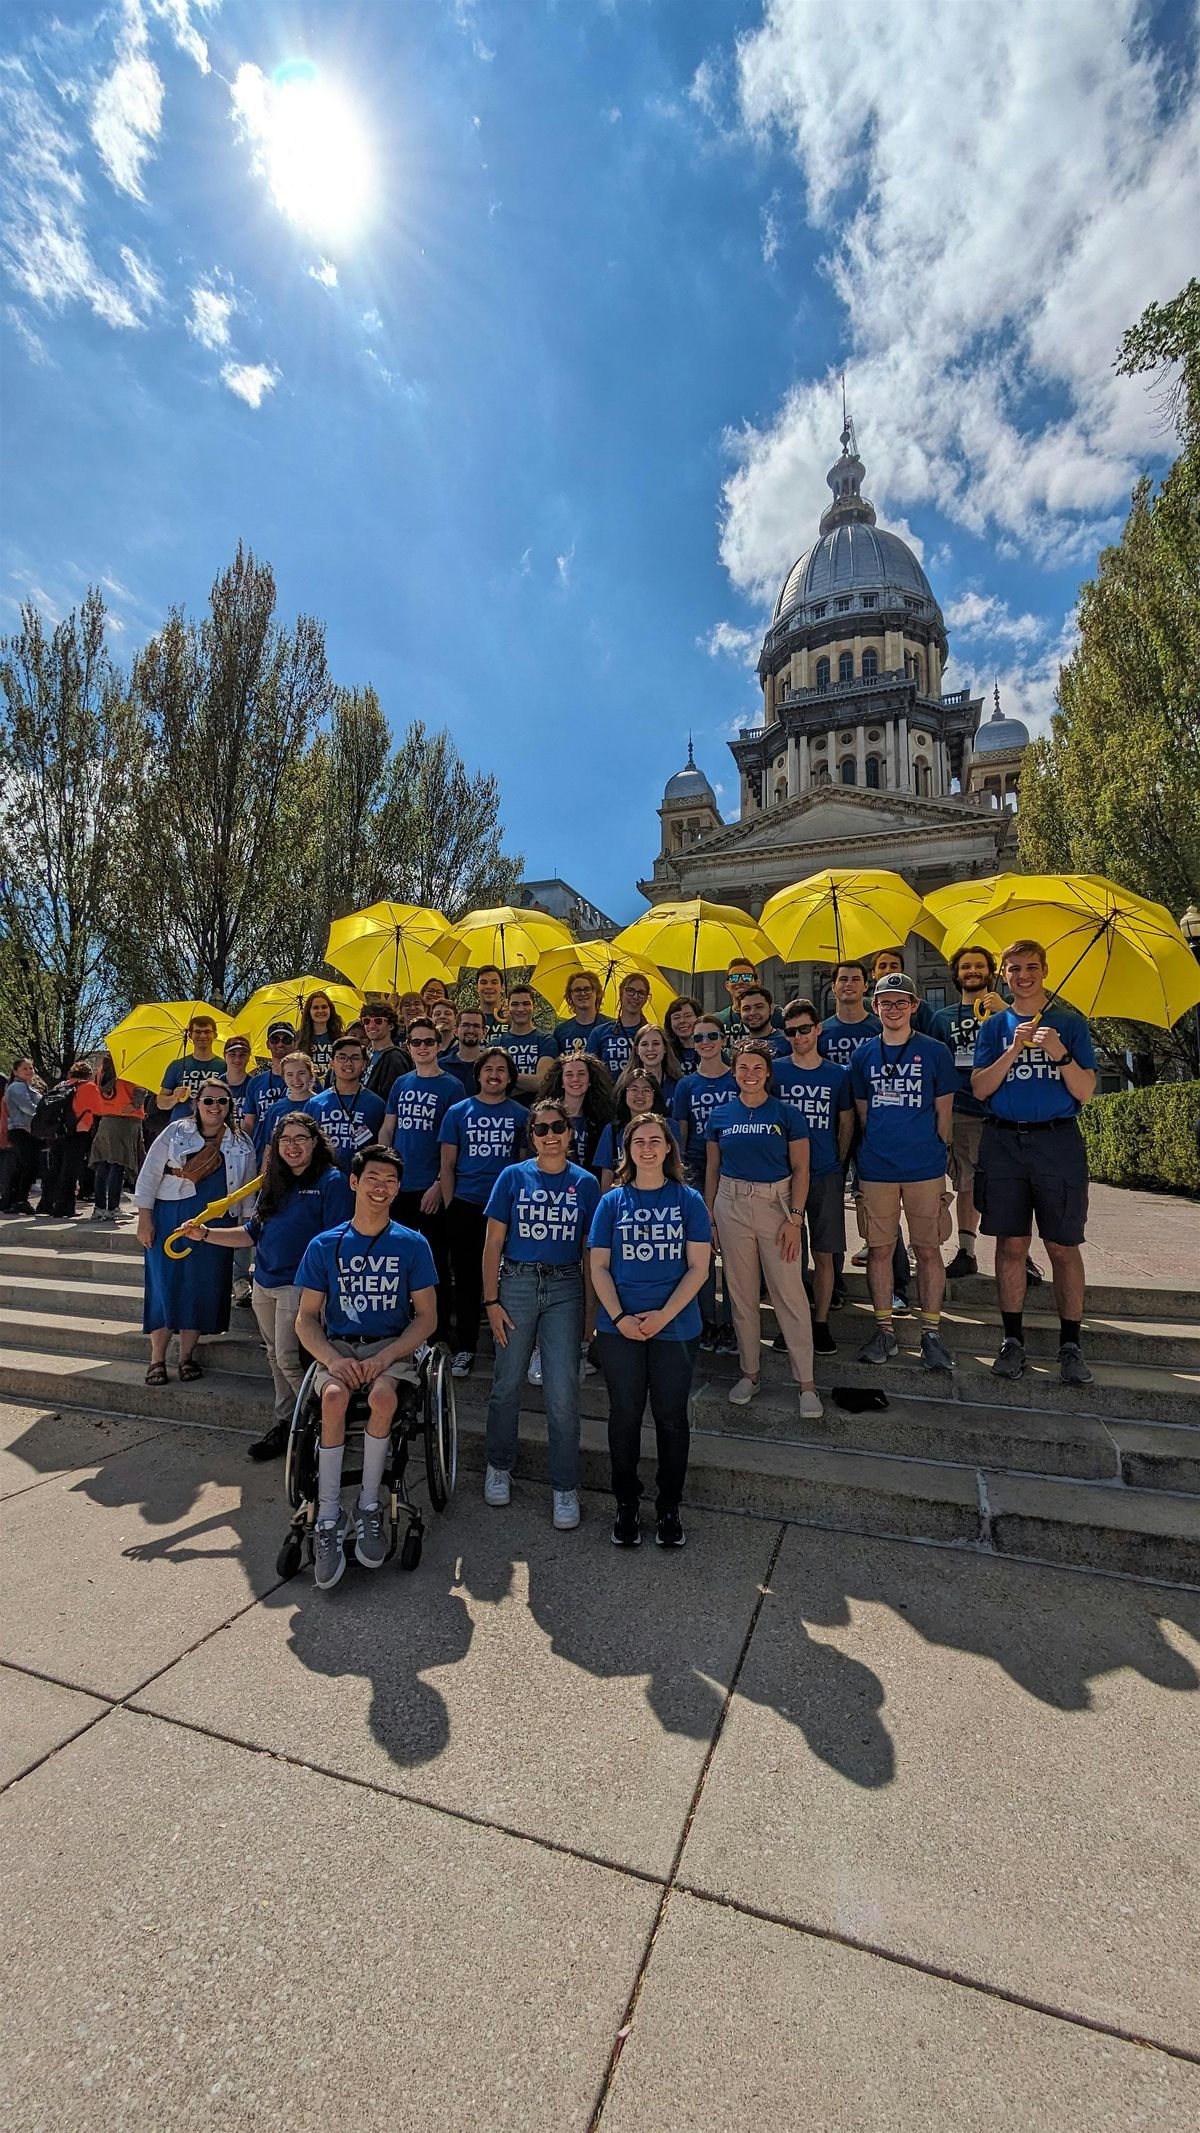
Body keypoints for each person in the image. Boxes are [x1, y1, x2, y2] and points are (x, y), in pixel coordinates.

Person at [295, 1145, 439, 1590]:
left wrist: (387, 1356)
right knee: (333, 1397)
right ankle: (329, 1514)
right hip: (340, 1345)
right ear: (354, 1182)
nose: (381, 1187)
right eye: (373, 1178)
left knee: (382, 1398)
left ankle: (370, 1504)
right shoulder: (325, 1244)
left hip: (390, 1348)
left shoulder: (412, 1244)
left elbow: (427, 1318)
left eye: (390, 1181)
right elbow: (305, 1318)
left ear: (398, 1189)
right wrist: (333, 1359)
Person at [182, 1111, 352, 1460]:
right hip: (265, 1281)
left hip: (300, 1285)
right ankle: (287, 1422)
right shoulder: (274, 1181)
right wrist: (206, 1234)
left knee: (289, 1359)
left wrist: (325, 1291)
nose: (293, 1146)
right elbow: (251, 1233)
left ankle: (324, 1422)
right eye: (285, 1140)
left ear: (315, 1142)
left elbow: (338, 1240)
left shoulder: (332, 1181)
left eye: (300, 1138)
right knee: (275, 1357)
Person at [971, 939, 1098, 1387]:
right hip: (1004, 1141)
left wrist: (1059, 1053)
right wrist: (1013, 1050)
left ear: (1044, 971)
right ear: (1003, 975)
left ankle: (1071, 1344)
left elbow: (1085, 1091)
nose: (1023, 976)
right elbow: (980, 1088)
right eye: (1014, 969)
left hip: (1056, 1141)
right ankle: (1012, 1340)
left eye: (1031, 967)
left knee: (1063, 1245)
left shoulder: (1070, 1023)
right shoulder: (993, 1026)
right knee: (1011, 1244)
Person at [590, 1112, 711, 1549]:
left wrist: (663, 1315)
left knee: (671, 1419)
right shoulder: (611, 1202)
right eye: (638, 1141)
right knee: (624, 1416)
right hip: (619, 1327)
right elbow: (599, 1267)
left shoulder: (689, 1200)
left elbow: (699, 1268)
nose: (647, 1148)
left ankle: (668, 1506)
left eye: (655, 1140)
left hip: (675, 1327)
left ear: (668, 1148)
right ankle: (626, 1504)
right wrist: (621, 1317)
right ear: (628, 1150)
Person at [481, 1096, 601, 1531]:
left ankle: (565, 1486)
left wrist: (591, 1312)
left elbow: (590, 1253)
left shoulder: (586, 1183)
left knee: (563, 1392)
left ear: (569, 1134)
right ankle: (499, 1466)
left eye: (557, 1127)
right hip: (516, 1282)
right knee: (506, 1382)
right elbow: (493, 1243)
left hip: (566, 1286)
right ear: (531, 1136)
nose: (550, 1135)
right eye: (541, 1129)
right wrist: (491, 1301)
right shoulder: (513, 1176)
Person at [704, 1044, 821, 1416]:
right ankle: (750, 1374)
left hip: (777, 1205)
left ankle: (806, 1383)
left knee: (790, 1294)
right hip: (731, 1203)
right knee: (741, 1295)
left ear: (768, 1072)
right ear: (734, 1072)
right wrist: (711, 1217)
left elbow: (801, 1168)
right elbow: (712, 1168)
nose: (750, 1074)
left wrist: (795, 1218)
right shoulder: (720, 1115)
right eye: (743, 1067)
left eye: (757, 1067)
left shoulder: (786, 1113)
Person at [850, 973, 957, 1373]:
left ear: (913, 1006)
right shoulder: (863, 1055)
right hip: (877, 1168)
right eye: (885, 1002)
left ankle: (931, 1333)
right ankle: (884, 1330)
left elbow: (944, 1114)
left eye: (900, 1002)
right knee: (879, 1250)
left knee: (928, 1250)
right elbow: (863, 1114)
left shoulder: (935, 1052)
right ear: (875, 1007)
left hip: (923, 1168)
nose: (892, 1009)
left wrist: (935, 1153)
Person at [134, 1078, 255, 1385]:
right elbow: (149, 1174)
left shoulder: (241, 1141)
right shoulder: (176, 1131)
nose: (215, 1106)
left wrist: (246, 1228)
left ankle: (186, 1356)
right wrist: (144, 1218)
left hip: (217, 1224)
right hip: (171, 1215)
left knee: (202, 1287)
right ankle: (157, 1359)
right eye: (209, 1100)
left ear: (230, 1106)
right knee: (165, 1285)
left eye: (222, 1101)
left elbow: (248, 1189)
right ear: (197, 1103)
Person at [819, 961, 908, 1311]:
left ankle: (898, 1285)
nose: (849, 985)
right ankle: (835, 1285)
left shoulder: (879, 1026)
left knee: (883, 1209)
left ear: (866, 986)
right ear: (833, 987)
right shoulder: (822, 1031)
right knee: (830, 1209)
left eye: (856, 979)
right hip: (834, 1128)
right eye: (842, 979)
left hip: (876, 1128)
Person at [438, 1048, 529, 1375]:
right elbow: (447, 1165)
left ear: (510, 1077)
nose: (494, 1075)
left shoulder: (521, 1114)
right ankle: (466, 1347)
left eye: (501, 1069)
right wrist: (450, 1207)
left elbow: (524, 1166)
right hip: (466, 1204)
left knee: (510, 1280)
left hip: (506, 1209)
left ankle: (513, 1348)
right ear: (478, 1075)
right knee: (466, 1280)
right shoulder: (458, 1112)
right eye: (488, 1069)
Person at [773, 999, 855, 1354]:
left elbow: (846, 1122)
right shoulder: (776, 1072)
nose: (798, 1037)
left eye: (804, 1029)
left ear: (818, 1029)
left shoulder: (837, 1074)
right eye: (791, 1032)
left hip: (824, 1173)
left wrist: (838, 1160)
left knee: (824, 1253)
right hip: (783, 1177)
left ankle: (820, 1323)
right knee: (788, 1256)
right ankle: (792, 1322)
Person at [931, 947, 1009, 1278]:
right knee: (966, 1183)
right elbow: (935, 1068)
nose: (973, 971)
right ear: (957, 974)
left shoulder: (1008, 1013)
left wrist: (1007, 1012)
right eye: (966, 966)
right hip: (962, 1109)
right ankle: (967, 1250)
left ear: (991, 972)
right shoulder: (942, 1019)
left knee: (1010, 1186)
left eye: (979, 966)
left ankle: (1017, 1253)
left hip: (1004, 1110)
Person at [379, 1016, 460, 1339]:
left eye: (429, 1041)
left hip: (431, 1187)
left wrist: (439, 1184)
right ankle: (398, 1327)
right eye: (416, 1042)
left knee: (434, 1261)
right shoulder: (401, 1083)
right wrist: (383, 1172)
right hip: (400, 1186)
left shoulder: (452, 1087)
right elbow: (388, 1129)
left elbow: (454, 1144)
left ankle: (438, 1335)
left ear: (438, 1046)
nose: (422, 1047)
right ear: (408, 1046)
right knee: (396, 1258)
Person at [670, 1013, 737, 1354]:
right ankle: (707, 1319)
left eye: (712, 1036)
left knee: (736, 1250)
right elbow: (681, 1134)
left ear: (723, 1040)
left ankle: (732, 1321)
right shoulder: (687, 1085)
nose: (705, 1043)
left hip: (735, 1167)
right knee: (701, 1248)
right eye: (698, 1038)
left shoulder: (737, 1078)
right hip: (697, 1167)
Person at [306, 1037, 386, 1174]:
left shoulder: (377, 1105)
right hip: (322, 1178)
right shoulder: (315, 1104)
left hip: (361, 1178)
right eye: (342, 1058)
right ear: (332, 1063)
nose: (348, 1063)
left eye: (355, 1058)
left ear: (364, 1064)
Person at [81, 1052, 144, 1222]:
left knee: (102, 1166)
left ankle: (99, 1208)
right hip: (125, 1123)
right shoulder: (129, 1073)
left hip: (106, 1121)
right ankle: (113, 1208)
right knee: (118, 1166)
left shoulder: (100, 1073)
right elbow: (137, 1098)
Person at [595, 1065, 676, 1190]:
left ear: (655, 1095)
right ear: (625, 1094)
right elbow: (607, 1177)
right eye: (634, 1090)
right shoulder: (612, 1130)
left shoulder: (669, 1126)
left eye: (646, 1090)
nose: (639, 1095)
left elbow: (675, 1166)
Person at [37, 1060, 95, 1218]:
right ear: (88, 1075)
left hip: (58, 1132)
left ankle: (46, 1203)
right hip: (78, 1132)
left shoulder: (61, 1085)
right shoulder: (89, 1087)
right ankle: (65, 1207)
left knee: (55, 1168)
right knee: (70, 1170)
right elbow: (99, 1108)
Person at [542, 1052, 615, 1174]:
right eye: (569, 1074)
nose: (575, 1079)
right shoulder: (547, 1117)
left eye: (581, 1074)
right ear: (561, 1082)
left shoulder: (598, 1121)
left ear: (590, 1080)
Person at [585, 972, 651, 1080]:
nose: (635, 996)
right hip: (608, 1090)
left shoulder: (652, 1034)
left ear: (646, 998)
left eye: (641, 993)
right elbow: (589, 1070)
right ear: (621, 993)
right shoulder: (599, 1032)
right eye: (630, 991)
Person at [494, 983, 557, 1094]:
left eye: (526, 1004)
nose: (520, 1009)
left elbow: (542, 1083)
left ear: (534, 1007)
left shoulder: (546, 1041)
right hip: (504, 1105)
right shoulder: (496, 1044)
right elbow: (493, 1085)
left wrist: (505, 1077)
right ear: (508, 1008)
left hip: (537, 1105)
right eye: (515, 1004)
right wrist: (528, 1083)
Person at [254, 1051, 317, 1157]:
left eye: (301, 1073)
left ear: (311, 1074)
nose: (296, 1079)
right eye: (290, 1075)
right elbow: (269, 1148)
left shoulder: (321, 1105)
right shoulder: (275, 1109)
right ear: (283, 1077)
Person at [156, 1013, 221, 1112]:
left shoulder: (224, 1066)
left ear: (215, 1035)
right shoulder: (176, 1065)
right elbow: (161, 1103)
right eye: (197, 1032)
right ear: (190, 1035)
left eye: (207, 1032)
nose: (202, 1035)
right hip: (181, 1121)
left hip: (212, 1120)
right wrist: (175, 1097)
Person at [0, 1060, 41, 1213]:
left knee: (24, 1167)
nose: (29, 1071)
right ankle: (19, 1200)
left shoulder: (26, 1086)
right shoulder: (17, 1087)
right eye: (25, 1068)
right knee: (27, 1167)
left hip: (25, 1131)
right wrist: (45, 1114)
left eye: (31, 1067)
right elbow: (28, 1108)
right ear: (15, 1071)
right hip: (21, 1130)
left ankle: (15, 1200)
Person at [869, 949, 939, 1035]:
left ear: (902, 972)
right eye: (882, 967)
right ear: (873, 973)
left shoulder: (921, 1008)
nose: (888, 971)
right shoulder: (863, 1007)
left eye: (894, 966)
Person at [244, 1023, 294, 1139]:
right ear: (267, 1044)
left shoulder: (306, 1080)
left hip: (295, 1146)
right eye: (275, 1040)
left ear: (295, 1043)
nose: (280, 1044)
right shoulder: (255, 1082)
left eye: (286, 1040)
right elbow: (249, 1124)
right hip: (261, 1146)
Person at [360, 1003, 412, 1104]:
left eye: (378, 1021)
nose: (371, 1025)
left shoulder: (395, 1057)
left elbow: (392, 1098)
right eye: (366, 1021)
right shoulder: (366, 1055)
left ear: (391, 1025)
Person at [718, 958, 785, 1035]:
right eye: (734, 978)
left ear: (757, 983)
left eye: (747, 977)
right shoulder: (718, 1019)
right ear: (727, 985)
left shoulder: (776, 1014)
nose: (740, 981)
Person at [553, 972, 612, 1057]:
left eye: (587, 989)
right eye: (577, 990)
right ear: (570, 996)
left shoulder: (611, 1027)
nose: (583, 993)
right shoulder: (561, 1031)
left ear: (597, 993)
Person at [630, 1023, 686, 1105]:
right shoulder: (627, 1086)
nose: (650, 1049)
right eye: (644, 1044)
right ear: (637, 1050)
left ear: (665, 1048)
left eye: (656, 1043)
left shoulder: (679, 1085)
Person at [297, 991, 344, 1086]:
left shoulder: (340, 1037)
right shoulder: (299, 1038)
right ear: (309, 1012)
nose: (320, 1011)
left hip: (335, 1086)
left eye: (324, 1007)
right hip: (309, 1087)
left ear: (330, 1009)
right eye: (315, 1008)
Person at [729, 985, 789, 1055]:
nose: (752, 1013)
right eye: (746, 1009)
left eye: (759, 1007)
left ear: (771, 1009)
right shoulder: (738, 1049)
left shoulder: (788, 1042)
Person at [440, 1005, 486, 1096]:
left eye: (476, 1026)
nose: (471, 1030)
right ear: (456, 1031)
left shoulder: (490, 1066)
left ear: (484, 1032)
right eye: (466, 1025)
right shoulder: (441, 1066)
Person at [219, 1034, 255, 1130]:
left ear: (249, 1057)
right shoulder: (216, 1085)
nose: (237, 1059)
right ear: (224, 1055)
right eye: (232, 1054)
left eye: (242, 1055)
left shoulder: (255, 1085)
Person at [664, 994, 701, 1073]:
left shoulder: (710, 1048)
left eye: (688, 1016)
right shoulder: (665, 1053)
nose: (682, 1021)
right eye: (676, 1017)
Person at [474, 965, 508, 1033]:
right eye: (483, 982)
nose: (489, 987)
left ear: (502, 987)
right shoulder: (469, 1019)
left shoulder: (512, 1018)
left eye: (494, 982)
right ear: (477, 987)